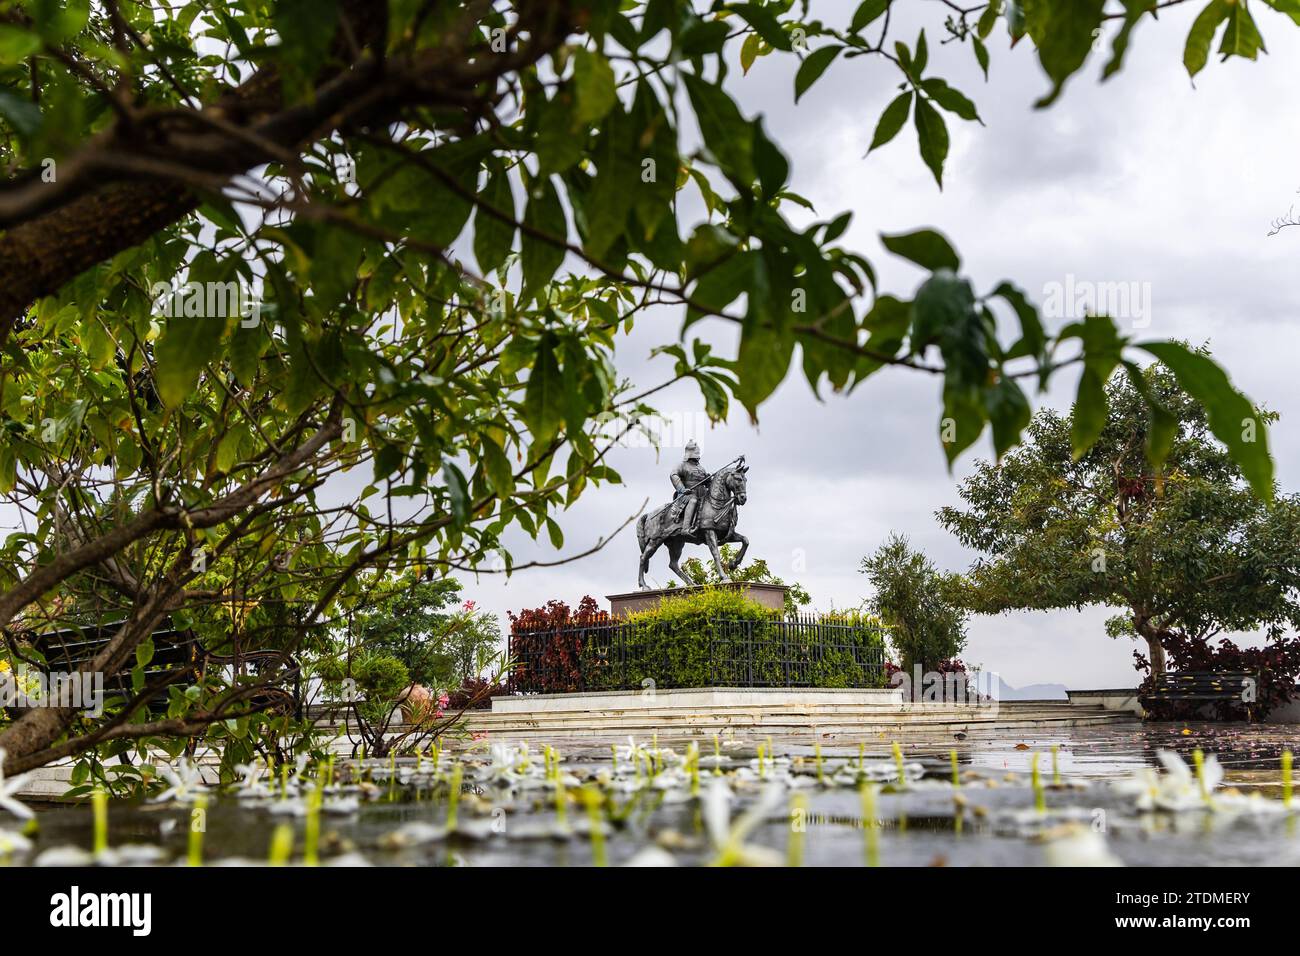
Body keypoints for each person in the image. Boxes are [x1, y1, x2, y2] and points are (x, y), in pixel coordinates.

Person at [670, 440, 710, 533]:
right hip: (688, 494)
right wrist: (682, 489)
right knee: (693, 501)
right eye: (695, 452)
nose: (697, 455)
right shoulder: (681, 465)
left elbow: (706, 483)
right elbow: (673, 475)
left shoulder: (701, 468)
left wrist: (709, 480)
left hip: (702, 494)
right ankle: (685, 528)